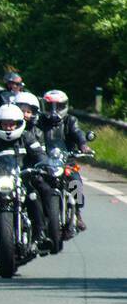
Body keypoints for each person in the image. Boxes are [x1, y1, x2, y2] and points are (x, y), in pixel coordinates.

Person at [0, 103, 58, 253]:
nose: (8, 128)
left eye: (12, 124)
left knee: (34, 197)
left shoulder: (27, 137)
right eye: (5, 124)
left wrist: (43, 164)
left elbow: (39, 153)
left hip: (21, 179)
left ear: (19, 124)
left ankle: (39, 235)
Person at [35, 89, 92, 233]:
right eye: (50, 106)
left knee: (76, 181)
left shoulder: (70, 120)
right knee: (34, 184)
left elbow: (77, 133)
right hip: (45, 161)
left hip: (68, 161)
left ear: (65, 106)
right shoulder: (39, 121)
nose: (54, 111)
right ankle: (37, 218)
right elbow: (33, 135)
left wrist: (83, 145)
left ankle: (78, 214)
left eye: (58, 106)